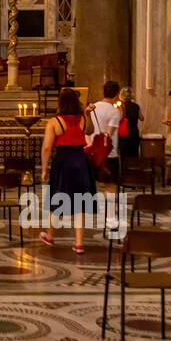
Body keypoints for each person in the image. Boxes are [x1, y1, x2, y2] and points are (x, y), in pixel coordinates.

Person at [39, 87, 97, 254]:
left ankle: (50, 236)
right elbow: (90, 131)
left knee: (58, 197)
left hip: (63, 161)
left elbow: (47, 148)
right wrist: (87, 113)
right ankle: (79, 243)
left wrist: (44, 169)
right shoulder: (82, 118)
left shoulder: (54, 122)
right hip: (81, 160)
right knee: (80, 200)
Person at [89, 80, 123, 183]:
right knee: (110, 187)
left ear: (103, 92)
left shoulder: (92, 107)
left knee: (94, 186)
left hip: (93, 151)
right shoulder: (114, 111)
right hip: (109, 153)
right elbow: (109, 133)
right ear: (117, 94)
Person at [117, 87, 143, 171]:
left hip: (124, 134)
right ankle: (134, 175)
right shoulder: (136, 106)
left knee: (124, 155)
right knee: (134, 154)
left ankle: (125, 176)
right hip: (134, 133)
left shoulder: (120, 106)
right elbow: (142, 118)